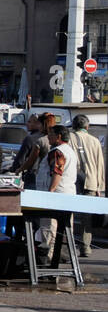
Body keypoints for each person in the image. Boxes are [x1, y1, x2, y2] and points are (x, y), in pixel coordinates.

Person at [37, 125, 78, 266]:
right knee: (65, 229)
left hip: (56, 197)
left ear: (59, 136)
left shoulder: (58, 152)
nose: (48, 137)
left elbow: (57, 172)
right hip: (68, 195)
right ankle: (59, 258)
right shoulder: (70, 151)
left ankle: (49, 261)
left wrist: (50, 193)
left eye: (51, 134)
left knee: (49, 228)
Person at [67, 114, 105, 257]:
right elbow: (100, 165)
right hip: (90, 182)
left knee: (67, 213)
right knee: (86, 216)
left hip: (72, 180)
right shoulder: (95, 141)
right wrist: (99, 187)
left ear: (73, 126)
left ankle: (68, 246)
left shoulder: (69, 138)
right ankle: (86, 247)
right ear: (87, 126)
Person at [15, 114, 50, 190]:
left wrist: (17, 169)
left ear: (38, 124)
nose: (27, 124)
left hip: (32, 174)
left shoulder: (31, 139)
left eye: (29, 122)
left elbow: (24, 159)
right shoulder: (51, 138)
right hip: (47, 176)